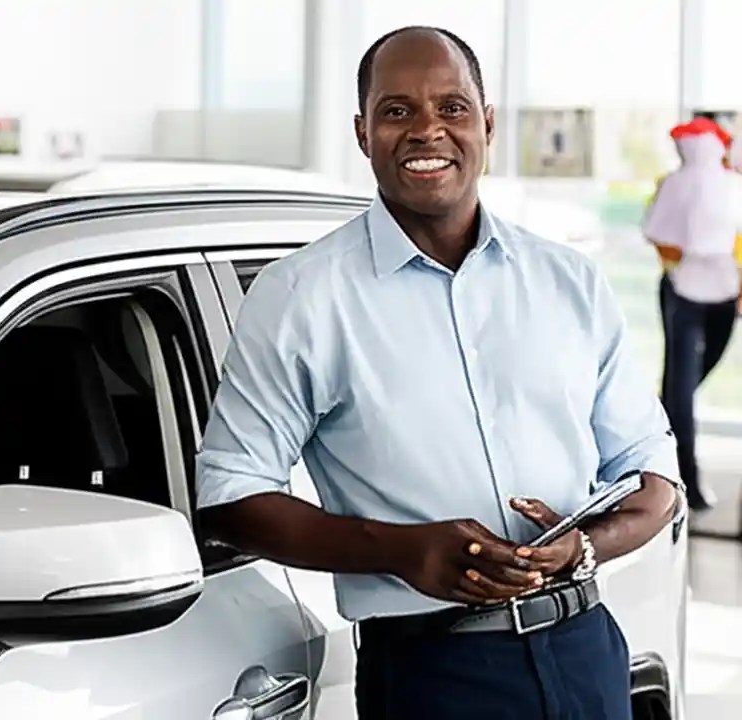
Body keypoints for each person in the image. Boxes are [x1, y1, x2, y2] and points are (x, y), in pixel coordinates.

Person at [195, 26, 683, 720]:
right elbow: (231, 495)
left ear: (486, 124)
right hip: (430, 672)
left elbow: (652, 476)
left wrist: (582, 548)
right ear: (363, 133)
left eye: (452, 108)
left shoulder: (569, 281)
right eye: (398, 111)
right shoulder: (300, 297)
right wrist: (402, 551)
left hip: (587, 654)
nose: (428, 131)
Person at [643, 116, 742, 511]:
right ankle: (685, 480)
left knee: (680, 385)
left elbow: (657, 234)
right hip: (693, 290)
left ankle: (657, 418)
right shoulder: (691, 184)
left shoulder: (719, 184)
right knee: (681, 386)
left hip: (707, 291)